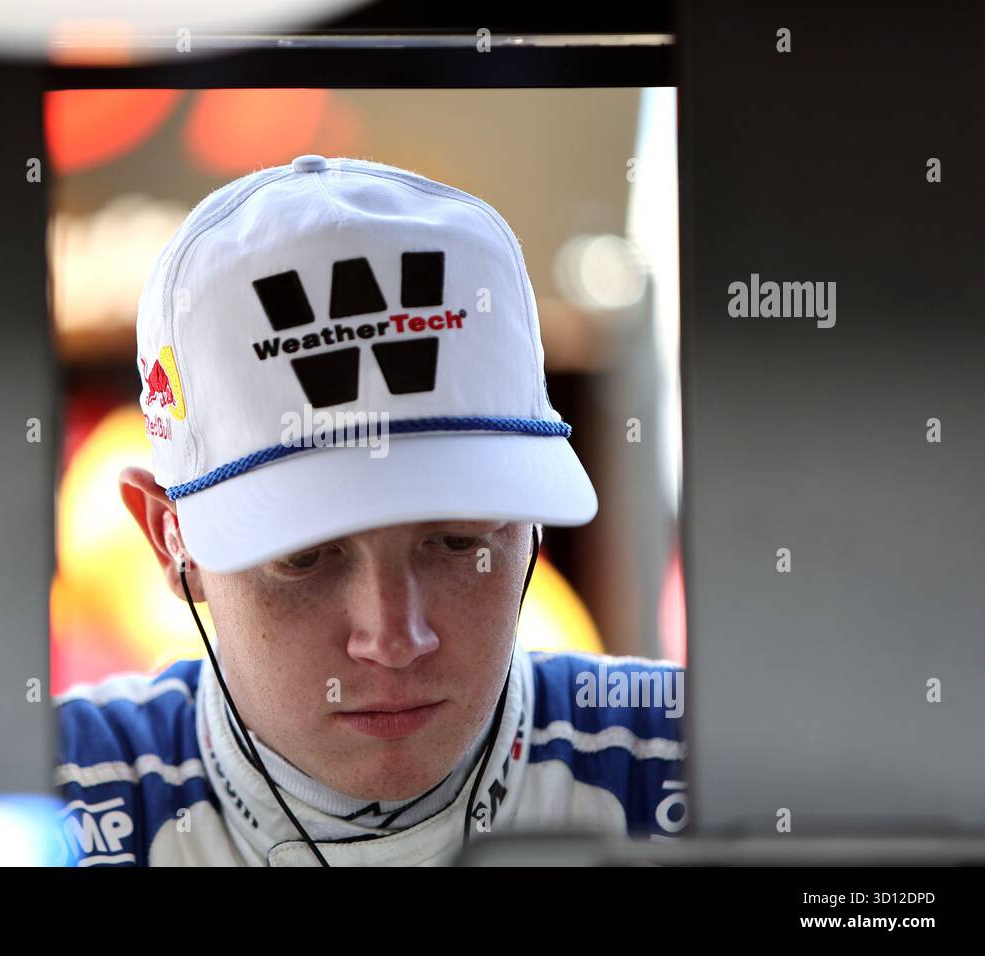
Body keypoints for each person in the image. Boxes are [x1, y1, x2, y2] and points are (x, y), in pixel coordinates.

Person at [54, 155, 686, 866]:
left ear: (531, 522)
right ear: (171, 541)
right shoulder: (39, 799)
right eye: (304, 555)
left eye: (456, 540)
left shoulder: (691, 755)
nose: (395, 637)